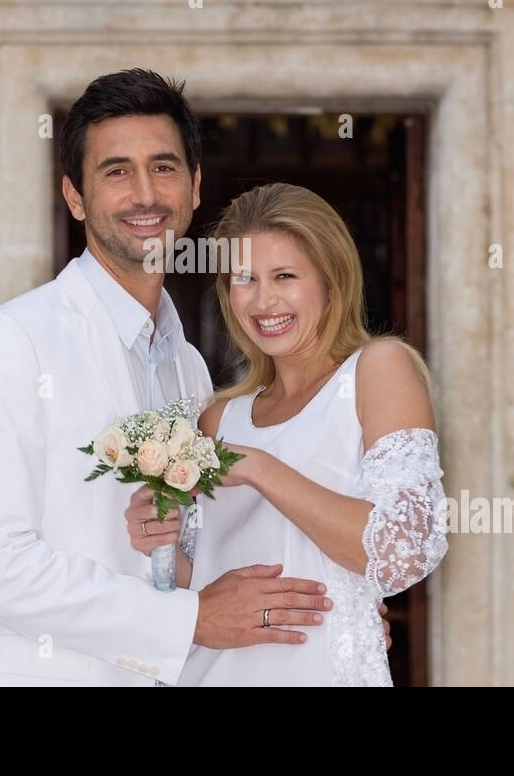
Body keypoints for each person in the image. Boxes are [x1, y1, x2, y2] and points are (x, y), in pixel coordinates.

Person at [0, 69, 335, 686]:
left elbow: (201, 550)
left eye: (165, 166)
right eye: (116, 171)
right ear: (75, 197)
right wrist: (188, 619)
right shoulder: (13, 341)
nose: (145, 194)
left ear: (195, 185)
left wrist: (333, 616)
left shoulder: (191, 370)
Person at [124, 182, 449, 686]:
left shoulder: (376, 371)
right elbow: (204, 581)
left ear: (330, 281)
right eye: (244, 279)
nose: (263, 299)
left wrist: (258, 467)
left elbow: (402, 551)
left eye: (285, 276)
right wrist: (157, 540)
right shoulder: (219, 418)